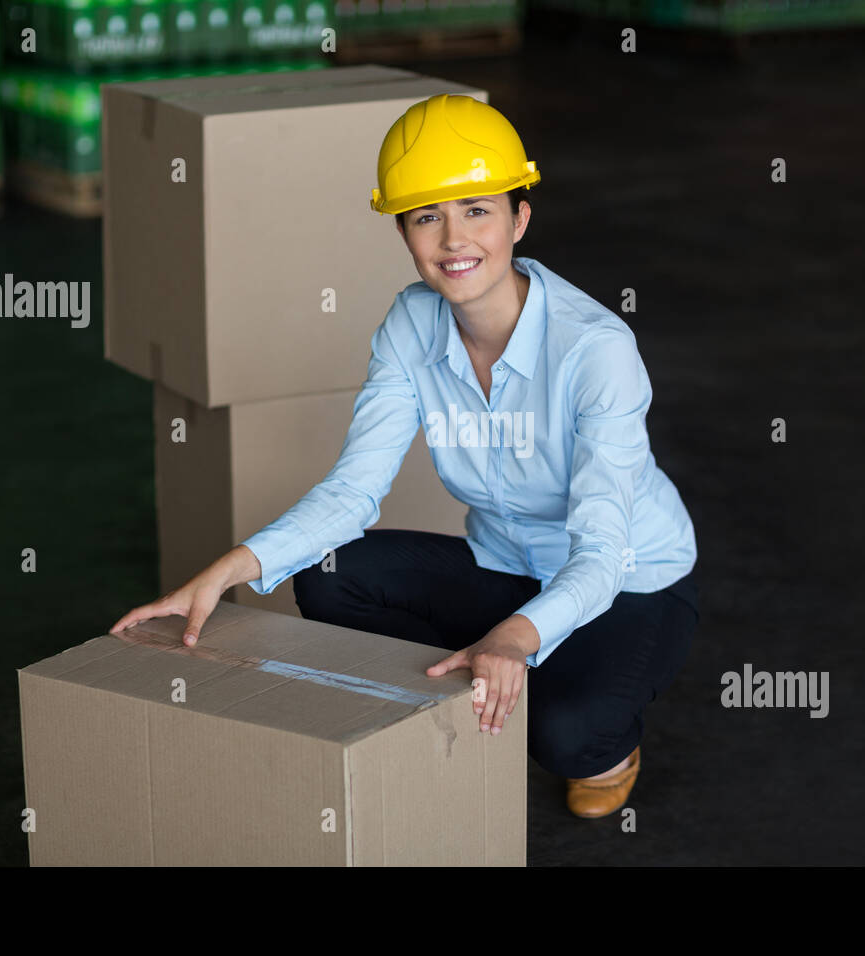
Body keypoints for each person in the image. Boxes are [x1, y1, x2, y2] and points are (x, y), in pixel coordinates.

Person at [110, 93, 699, 819]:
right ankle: (467, 692)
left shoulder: (593, 350)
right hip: (504, 565)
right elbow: (354, 494)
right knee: (333, 580)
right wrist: (232, 568)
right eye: (426, 216)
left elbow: (604, 550)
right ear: (403, 231)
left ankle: (589, 729)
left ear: (519, 217)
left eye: (477, 209)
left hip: (631, 580)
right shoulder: (409, 325)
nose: (454, 238)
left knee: (568, 732)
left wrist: (516, 638)